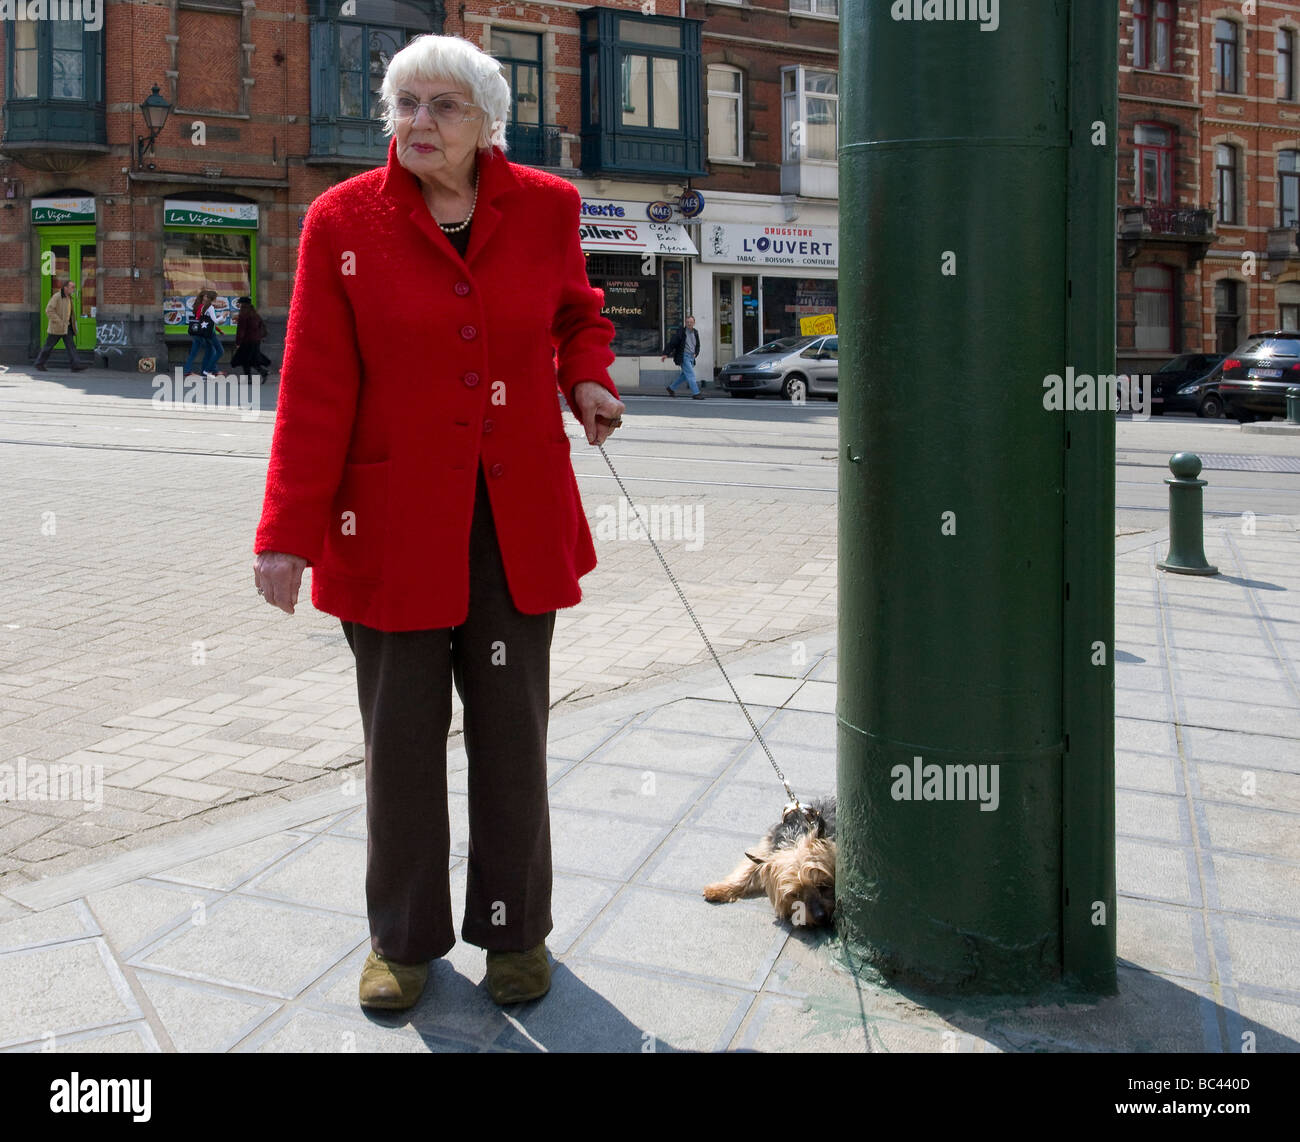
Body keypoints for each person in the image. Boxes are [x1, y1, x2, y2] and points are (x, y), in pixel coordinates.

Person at [252, 33, 624, 1013]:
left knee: (512, 735)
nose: (418, 122)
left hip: (513, 518)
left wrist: (585, 374)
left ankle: (513, 931)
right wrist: (286, 530)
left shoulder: (546, 208)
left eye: (443, 106)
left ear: (485, 122)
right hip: (388, 528)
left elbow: (575, 313)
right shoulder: (342, 221)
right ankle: (404, 939)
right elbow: (314, 389)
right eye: (405, 103)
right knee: (401, 742)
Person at [33, 280, 87, 372]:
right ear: (65, 288)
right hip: (57, 327)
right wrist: (59, 321)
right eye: (72, 287)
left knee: (71, 346)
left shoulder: (69, 297)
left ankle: (75, 365)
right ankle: (39, 363)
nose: (74, 289)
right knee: (48, 346)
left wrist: (72, 324)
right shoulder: (57, 297)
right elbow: (49, 310)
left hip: (67, 327)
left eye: (74, 287)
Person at [184, 290, 223, 377]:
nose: (207, 297)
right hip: (201, 333)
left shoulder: (201, 306)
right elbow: (204, 322)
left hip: (199, 332)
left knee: (205, 351)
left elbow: (207, 322)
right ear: (203, 297)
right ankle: (209, 370)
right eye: (206, 296)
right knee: (211, 351)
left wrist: (219, 330)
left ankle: (205, 370)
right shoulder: (202, 307)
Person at [662, 315, 703, 399]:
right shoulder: (681, 332)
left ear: (694, 323)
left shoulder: (695, 332)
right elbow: (673, 342)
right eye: (687, 322)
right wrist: (666, 353)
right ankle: (696, 393)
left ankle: (671, 388)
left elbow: (698, 345)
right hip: (684, 356)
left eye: (691, 322)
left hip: (692, 357)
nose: (689, 324)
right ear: (685, 323)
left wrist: (696, 353)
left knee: (684, 375)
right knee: (691, 374)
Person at [231, 296, 270, 381]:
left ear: (243, 304)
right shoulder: (254, 314)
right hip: (256, 341)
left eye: (240, 303)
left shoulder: (243, 315)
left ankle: (251, 377)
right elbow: (261, 326)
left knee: (246, 360)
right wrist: (261, 336)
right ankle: (262, 372)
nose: (239, 305)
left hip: (247, 341)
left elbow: (241, 330)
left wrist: (238, 342)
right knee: (251, 359)